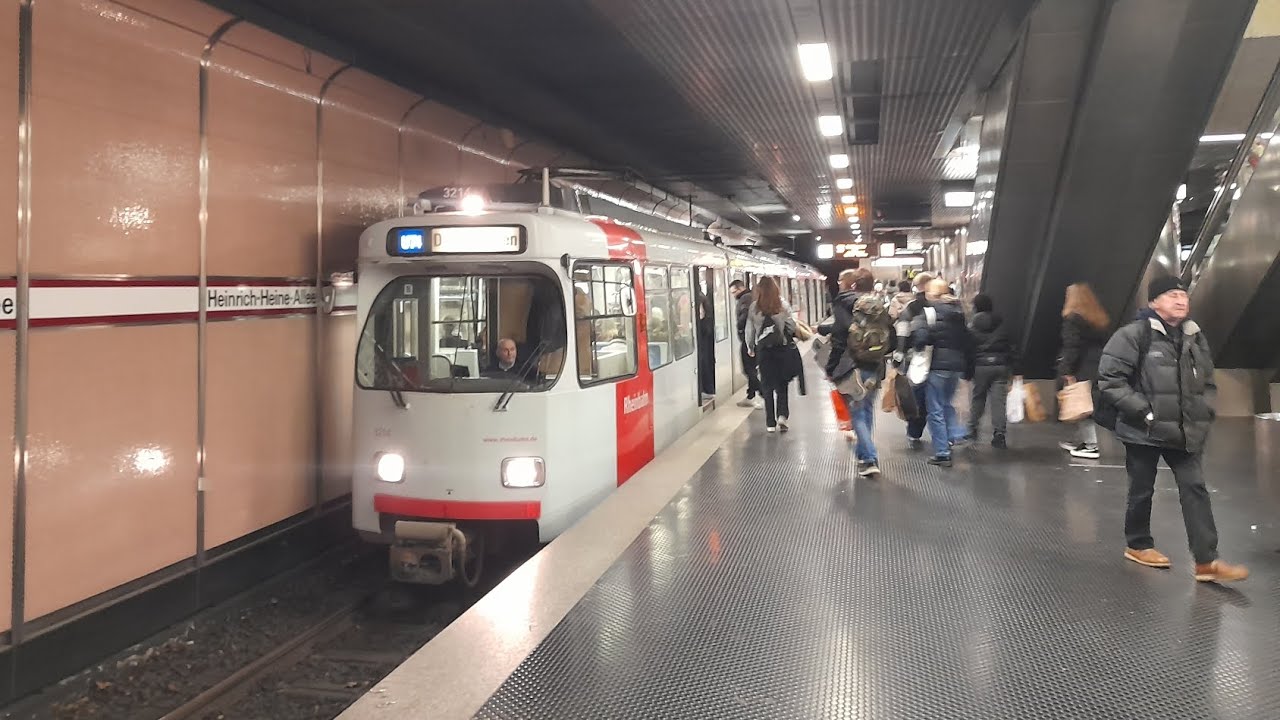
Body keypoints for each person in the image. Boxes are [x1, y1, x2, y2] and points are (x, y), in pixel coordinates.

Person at [1096, 276, 1247, 583]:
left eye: (1183, 294)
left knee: (1195, 488)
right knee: (1142, 489)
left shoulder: (1194, 335)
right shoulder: (1133, 335)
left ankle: (1207, 560)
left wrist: (1205, 410)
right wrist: (1145, 413)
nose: (1180, 300)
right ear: (1153, 302)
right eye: (1171, 295)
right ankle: (1138, 544)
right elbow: (1110, 380)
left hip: (1185, 430)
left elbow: (1206, 380)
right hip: (1144, 430)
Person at [827, 268, 895, 477]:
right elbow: (891, 336)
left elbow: (839, 338)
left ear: (852, 284)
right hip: (875, 366)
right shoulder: (877, 307)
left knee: (857, 412)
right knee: (866, 411)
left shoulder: (843, 303)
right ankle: (863, 455)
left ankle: (869, 458)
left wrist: (831, 368)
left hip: (852, 367)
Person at [911, 278, 973, 467]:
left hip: (936, 366)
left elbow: (921, 339)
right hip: (956, 366)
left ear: (932, 294)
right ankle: (953, 435)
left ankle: (942, 452)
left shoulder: (929, 313)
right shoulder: (960, 312)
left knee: (935, 409)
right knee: (947, 404)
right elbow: (968, 341)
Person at [1058, 283, 1111, 459]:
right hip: (1098, 364)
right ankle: (1081, 441)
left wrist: (1066, 369)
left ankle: (1091, 445)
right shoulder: (1098, 318)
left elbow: (1072, 346)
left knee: (1082, 405)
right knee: (1087, 404)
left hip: (1082, 366)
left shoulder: (1073, 318)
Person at [745, 276, 797, 433]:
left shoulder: (755, 307)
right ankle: (782, 416)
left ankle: (770, 423)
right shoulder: (783, 305)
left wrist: (750, 347)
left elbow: (750, 330)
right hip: (781, 348)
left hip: (764, 351)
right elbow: (792, 325)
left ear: (759, 290)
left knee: (767, 385)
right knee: (782, 384)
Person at [966, 293, 1017, 449]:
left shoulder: (972, 326)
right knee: (998, 401)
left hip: (980, 367)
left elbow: (968, 349)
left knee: (978, 398)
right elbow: (1011, 348)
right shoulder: (1002, 326)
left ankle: (972, 428)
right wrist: (1015, 368)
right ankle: (999, 434)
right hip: (1000, 367)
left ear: (976, 307)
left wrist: (967, 370)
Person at [899, 273, 935, 446]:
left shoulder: (912, 307)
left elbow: (903, 332)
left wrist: (899, 353)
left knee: (916, 397)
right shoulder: (945, 304)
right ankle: (944, 437)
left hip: (916, 357)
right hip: (939, 357)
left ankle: (914, 431)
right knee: (937, 397)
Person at [730, 279, 762, 409]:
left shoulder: (745, 299)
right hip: (753, 338)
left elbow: (745, 317)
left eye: (733, 292)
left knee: (748, 369)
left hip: (749, 339)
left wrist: (740, 328)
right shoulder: (751, 296)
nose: (733, 295)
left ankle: (764, 394)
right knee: (751, 369)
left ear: (740, 288)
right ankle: (750, 396)